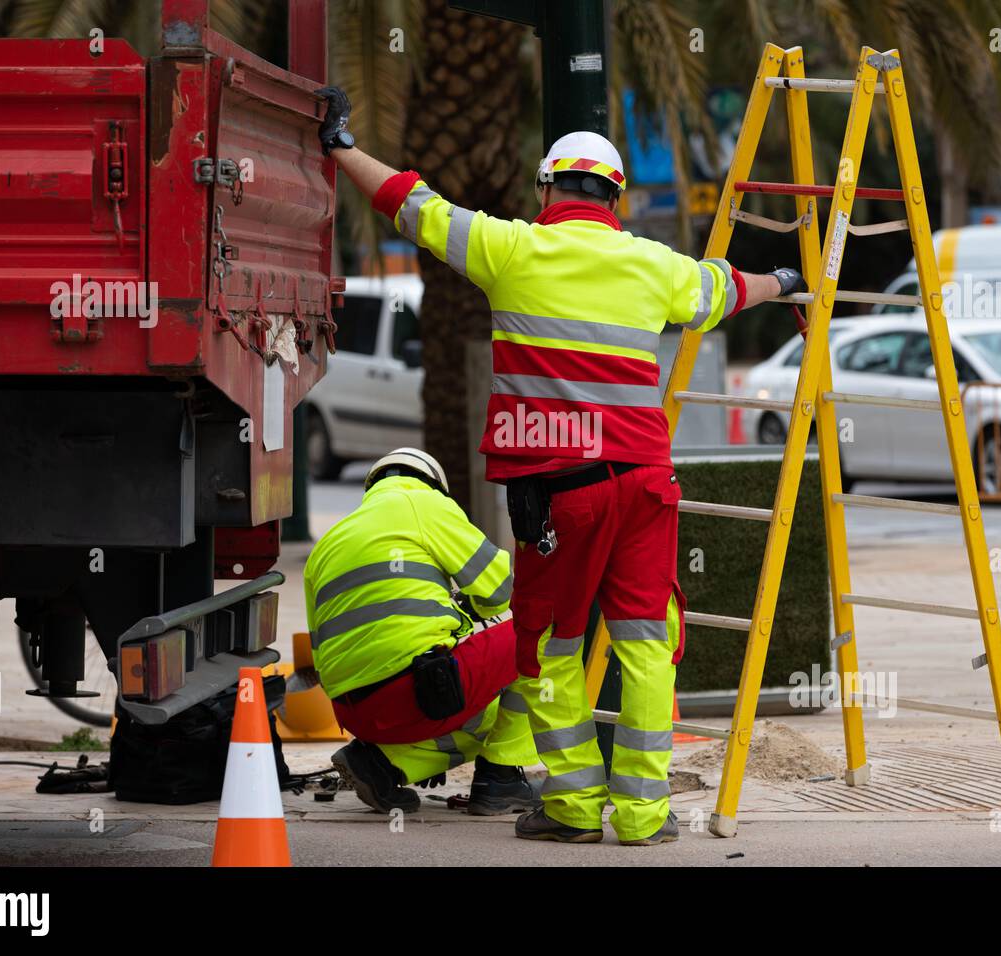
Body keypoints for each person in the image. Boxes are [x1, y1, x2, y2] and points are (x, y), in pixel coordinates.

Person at [318, 88, 803, 845]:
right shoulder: (654, 265)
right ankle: (644, 816)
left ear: (548, 189)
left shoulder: (512, 249)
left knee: (548, 649)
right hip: (646, 485)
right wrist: (786, 281)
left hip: (561, 497)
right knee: (645, 643)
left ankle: (574, 810)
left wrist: (340, 145)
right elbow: (726, 288)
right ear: (615, 198)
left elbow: (413, 206)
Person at [307, 447, 540, 817]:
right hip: (418, 694)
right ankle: (500, 777)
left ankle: (384, 764)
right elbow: (500, 591)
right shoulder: (424, 503)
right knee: (537, 628)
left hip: (354, 712)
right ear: (435, 485)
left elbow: (321, 653)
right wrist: (472, 610)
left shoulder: (328, 542)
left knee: (489, 707)